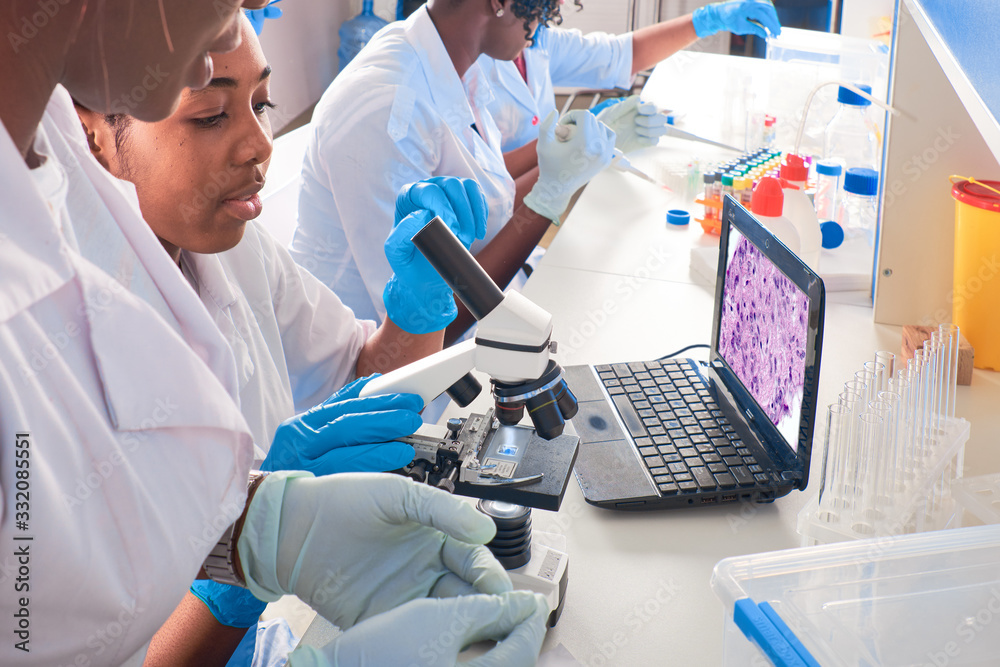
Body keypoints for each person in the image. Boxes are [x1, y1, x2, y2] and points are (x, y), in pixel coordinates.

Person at [0, 1, 547, 665]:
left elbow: (359, 377)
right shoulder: (44, 301)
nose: (261, 144)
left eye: (262, 102)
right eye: (208, 114)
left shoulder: (234, 248)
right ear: (93, 134)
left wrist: (417, 311)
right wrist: (242, 566)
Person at [289, 0, 618, 343]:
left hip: (469, 315)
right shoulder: (391, 108)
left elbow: (487, 204)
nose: (556, 9)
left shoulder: (447, 60)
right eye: (546, 4)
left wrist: (554, 169)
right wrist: (548, 197)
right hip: (382, 370)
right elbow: (420, 334)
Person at [480, 0, 782, 153]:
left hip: (537, 217)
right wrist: (572, 140)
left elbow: (622, 55)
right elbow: (486, 179)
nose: (560, 4)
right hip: (501, 231)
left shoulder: (537, 39)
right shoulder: (471, 62)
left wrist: (708, 20)